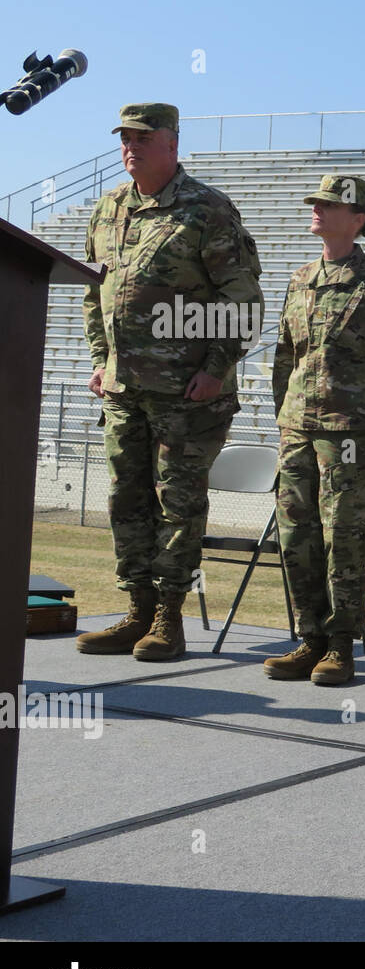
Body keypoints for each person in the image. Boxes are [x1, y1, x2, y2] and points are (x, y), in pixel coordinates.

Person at [76, 103, 264, 662]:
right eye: (124, 138)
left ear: (171, 143)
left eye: (142, 137)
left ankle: (168, 620)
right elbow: (95, 292)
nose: (130, 147)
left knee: (178, 504)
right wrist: (100, 357)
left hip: (188, 393)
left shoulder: (206, 209)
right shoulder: (110, 208)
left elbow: (242, 300)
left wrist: (215, 369)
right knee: (126, 500)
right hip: (123, 389)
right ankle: (135, 611)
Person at [263, 176, 365, 685]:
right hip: (298, 427)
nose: (317, 211)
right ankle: (309, 637)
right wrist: (282, 415)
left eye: (329, 205)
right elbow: (286, 355)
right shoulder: (300, 278)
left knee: (345, 538)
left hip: (351, 430)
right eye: (316, 204)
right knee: (296, 534)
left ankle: (341, 645)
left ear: (358, 220)